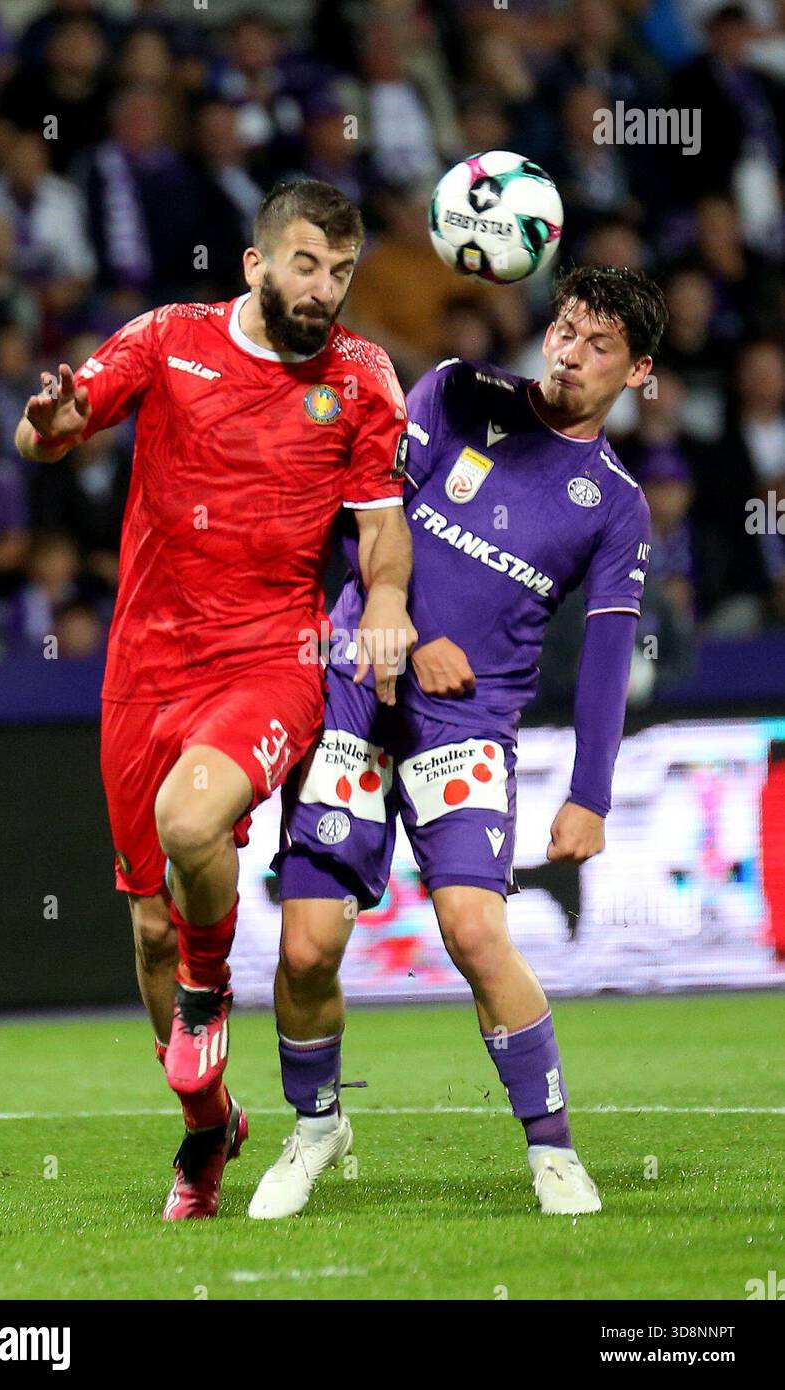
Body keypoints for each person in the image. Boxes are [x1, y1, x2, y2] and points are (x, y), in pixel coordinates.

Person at [13, 179, 416, 1220]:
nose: (322, 289)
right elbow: (51, 433)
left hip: (272, 655)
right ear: (255, 263)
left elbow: (379, 529)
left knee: (190, 819)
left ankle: (206, 988)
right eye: (303, 265)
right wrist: (47, 426)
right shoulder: (168, 339)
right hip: (143, 670)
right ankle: (207, 1128)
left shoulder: (365, 380)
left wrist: (382, 598)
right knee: (146, 924)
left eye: (338, 271)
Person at [250, 263, 667, 1221]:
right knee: (308, 947)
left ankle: (552, 1150)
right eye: (565, 327)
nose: (569, 351)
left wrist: (591, 795)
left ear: (636, 371)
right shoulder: (455, 391)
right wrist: (403, 624)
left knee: (476, 931)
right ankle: (318, 1128)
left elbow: (607, 656)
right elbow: (369, 513)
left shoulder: (614, 504)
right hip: (360, 678)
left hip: (468, 720)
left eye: (599, 344)